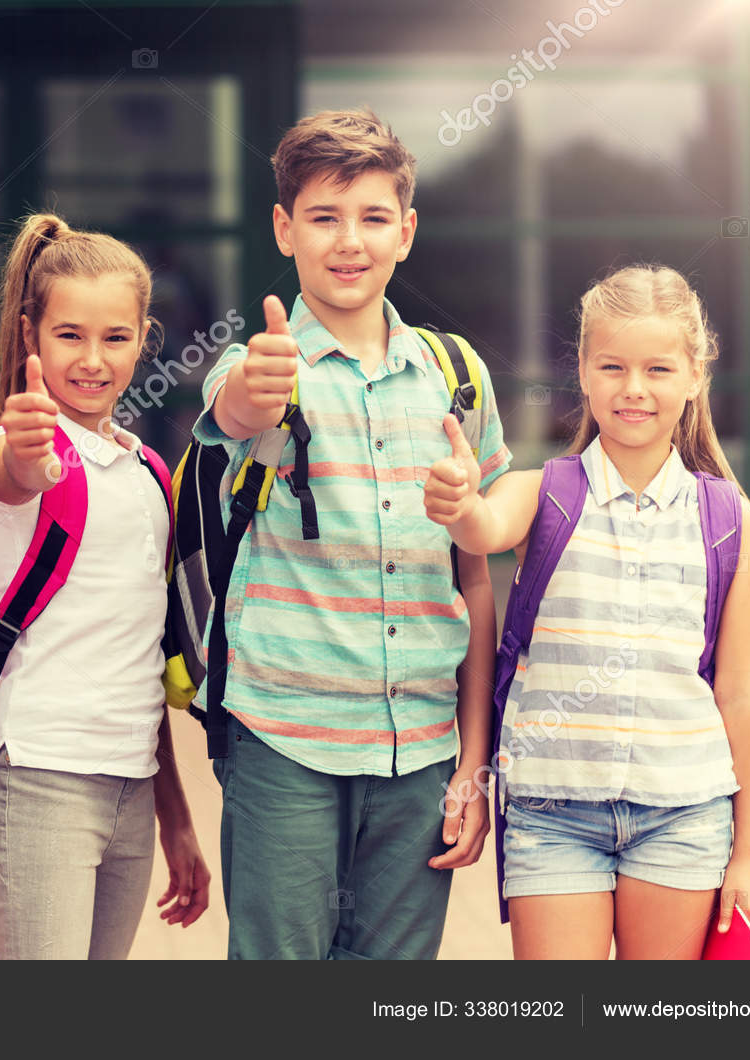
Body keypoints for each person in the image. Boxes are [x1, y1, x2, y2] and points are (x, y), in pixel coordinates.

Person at [192, 109, 510, 959]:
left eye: (373, 217)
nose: (349, 242)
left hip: (423, 754)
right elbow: (234, 409)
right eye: (324, 217)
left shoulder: (456, 376)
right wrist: (256, 391)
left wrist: (474, 762)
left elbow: (475, 579)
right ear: (283, 228)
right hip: (283, 742)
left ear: (406, 231)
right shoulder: (261, 366)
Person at [424, 264, 750, 959]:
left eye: (658, 369)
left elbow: (740, 694)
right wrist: (460, 503)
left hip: (685, 817)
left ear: (695, 376)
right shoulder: (543, 492)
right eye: (612, 366)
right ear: (583, 372)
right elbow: (482, 529)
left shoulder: (731, 521)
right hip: (551, 817)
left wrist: (749, 853)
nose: (633, 388)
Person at [0, 212, 211, 959]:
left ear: (144, 340)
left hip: (132, 783)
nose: (92, 360)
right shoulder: (17, 446)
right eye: (69, 335)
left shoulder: (148, 471)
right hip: (39, 773)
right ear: (30, 335)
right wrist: (24, 446)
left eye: (115, 337)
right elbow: (15, 473)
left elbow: (143, 660)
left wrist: (176, 819)